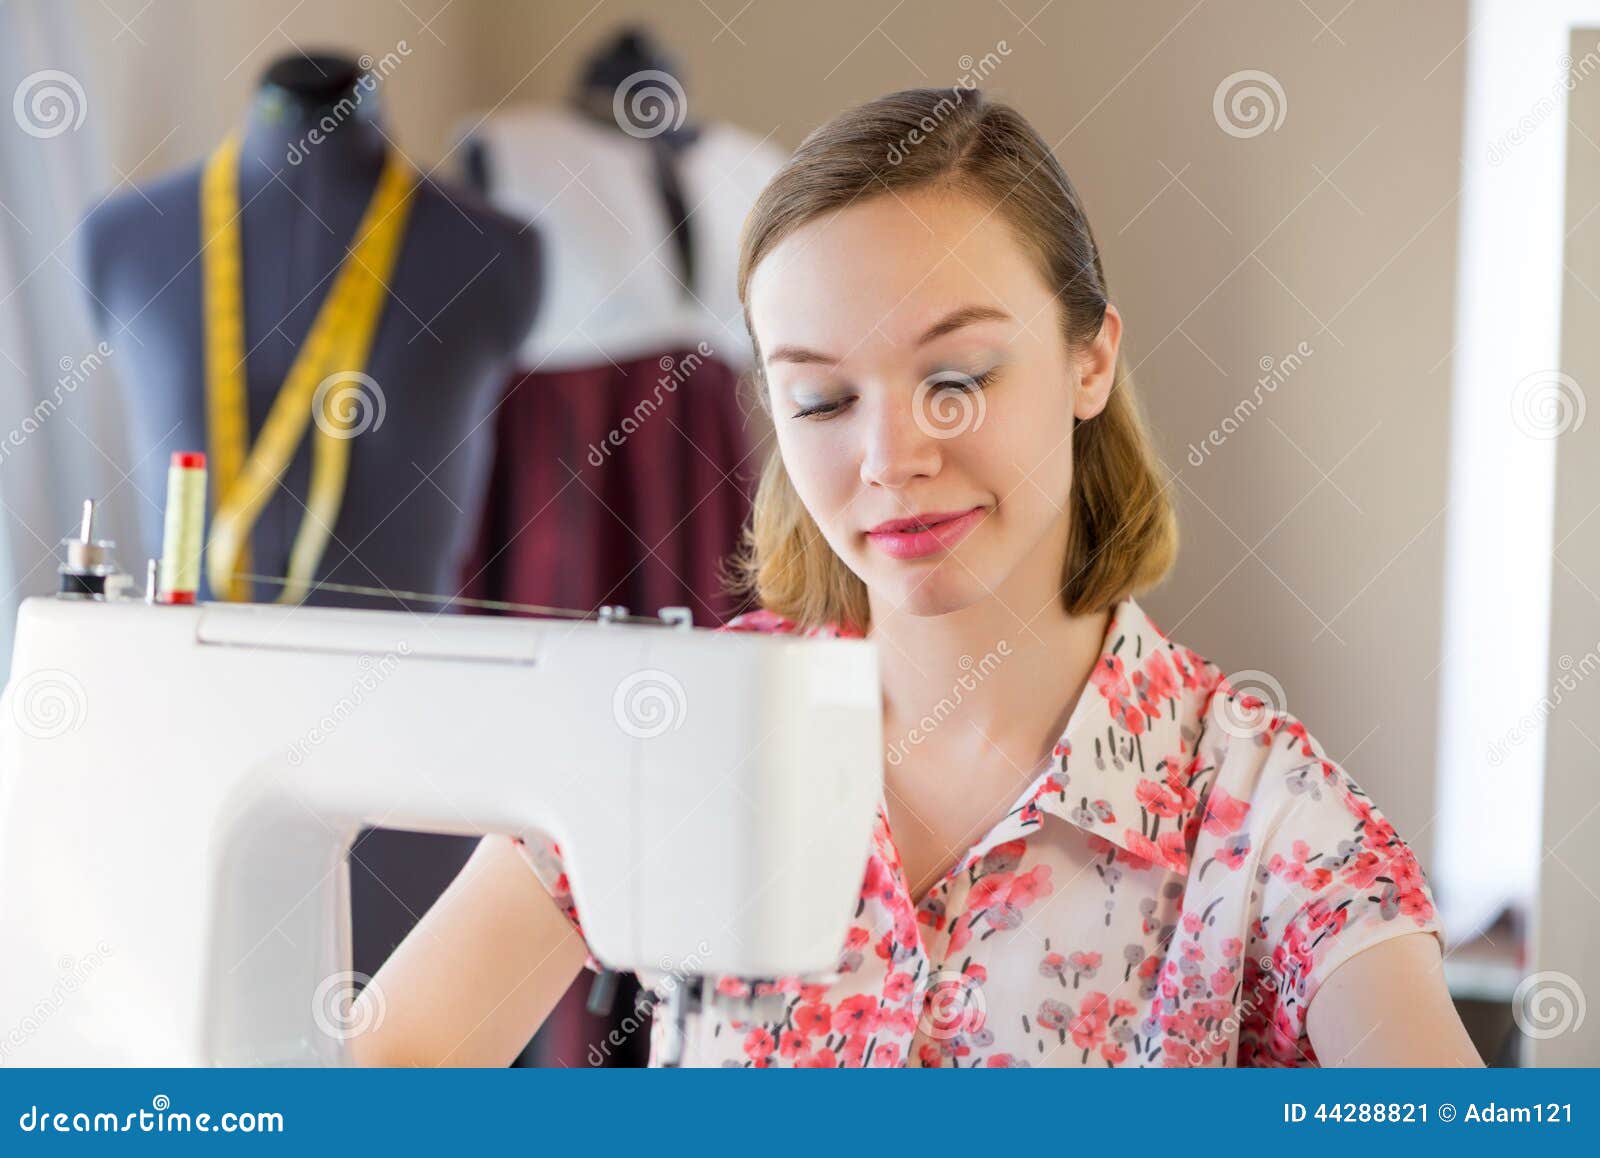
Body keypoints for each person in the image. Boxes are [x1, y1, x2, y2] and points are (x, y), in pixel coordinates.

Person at [347, 87, 1483, 1068]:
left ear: (1089, 360)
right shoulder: (681, 728)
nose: (892, 460)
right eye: (824, 400)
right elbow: (387, 1067)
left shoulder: (1258, 811)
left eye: (956, 377)